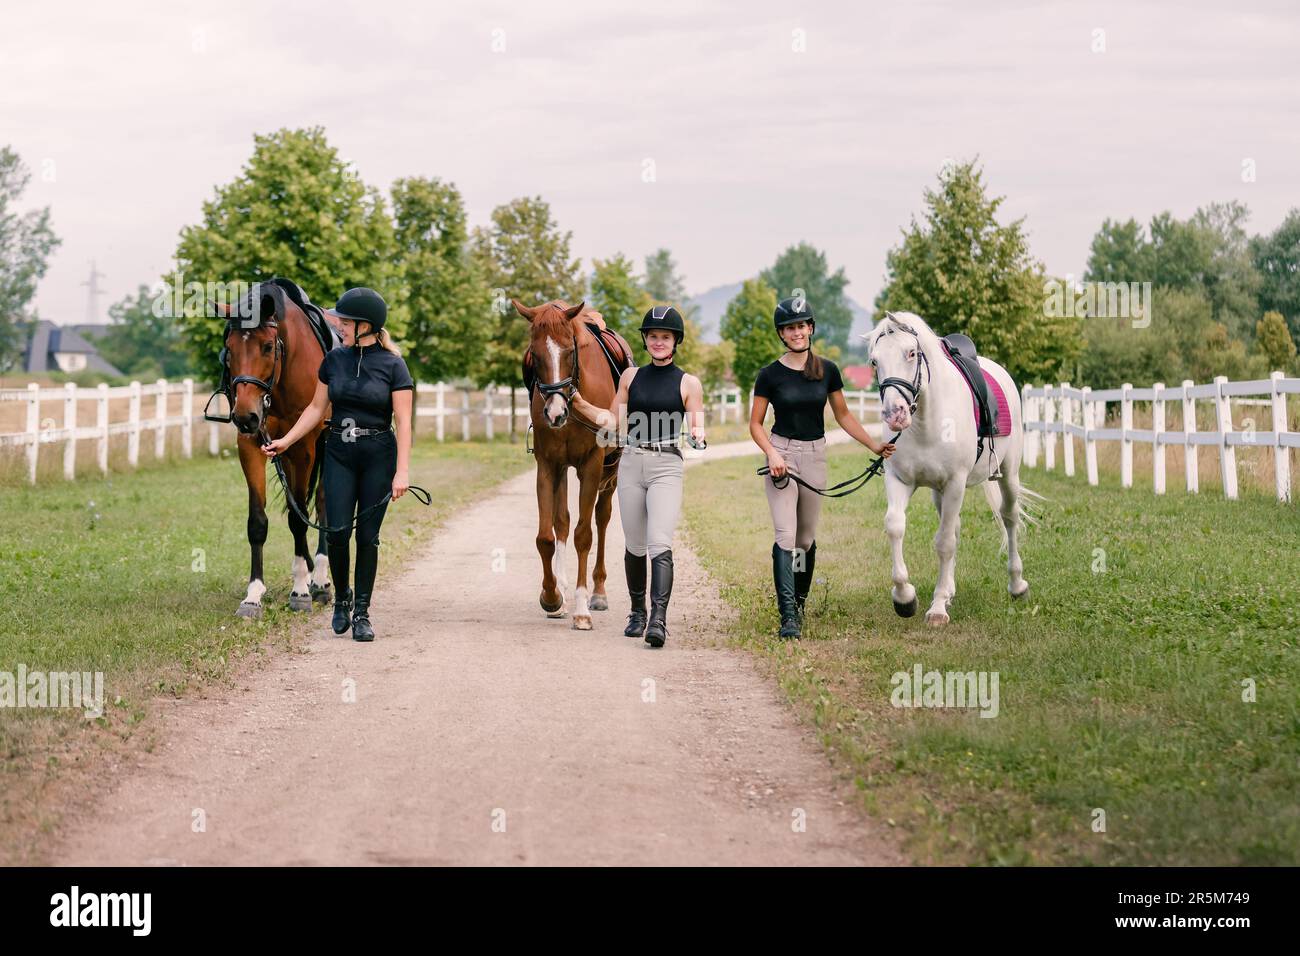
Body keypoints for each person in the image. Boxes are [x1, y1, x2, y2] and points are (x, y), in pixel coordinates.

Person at [261, 287, 414, 642]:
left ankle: (362, 612)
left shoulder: (394, 365)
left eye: (345, 322)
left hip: (378, 454)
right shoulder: (333, 360)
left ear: (365, 325)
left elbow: (403, 421)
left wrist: (402, 471)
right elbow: (316, 408)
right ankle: (341, 602)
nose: (340, 326)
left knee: (368, 537)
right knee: (338, 532)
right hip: (339, 454)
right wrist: (287, 440)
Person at [749, 296, 894, 639]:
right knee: (785, 535)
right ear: (781, 333)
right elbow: (755, 424)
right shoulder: (769, 375)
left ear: (810, 328)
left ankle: (799, 602)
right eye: (790, 327)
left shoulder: (827, 370)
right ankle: (787, 617)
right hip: (781, 454)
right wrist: (771, 453)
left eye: (801, 326)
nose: (797, 332)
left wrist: (874, 444)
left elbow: (843, 415)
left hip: (815, 456)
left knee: (805, 538)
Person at [574, 306, 705, 647]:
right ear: (645, 340)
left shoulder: (689, 383)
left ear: (675, 341)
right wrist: (578, 403)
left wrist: (698, 435)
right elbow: (613, 421)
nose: (658, 342)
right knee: (634, 544)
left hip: (666, 465)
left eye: (665, 337)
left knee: (659, 542)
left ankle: (658, 620)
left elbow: (697, 425)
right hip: (631, 462)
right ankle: (637, 613)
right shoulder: (630, 378)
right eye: (652, 336)